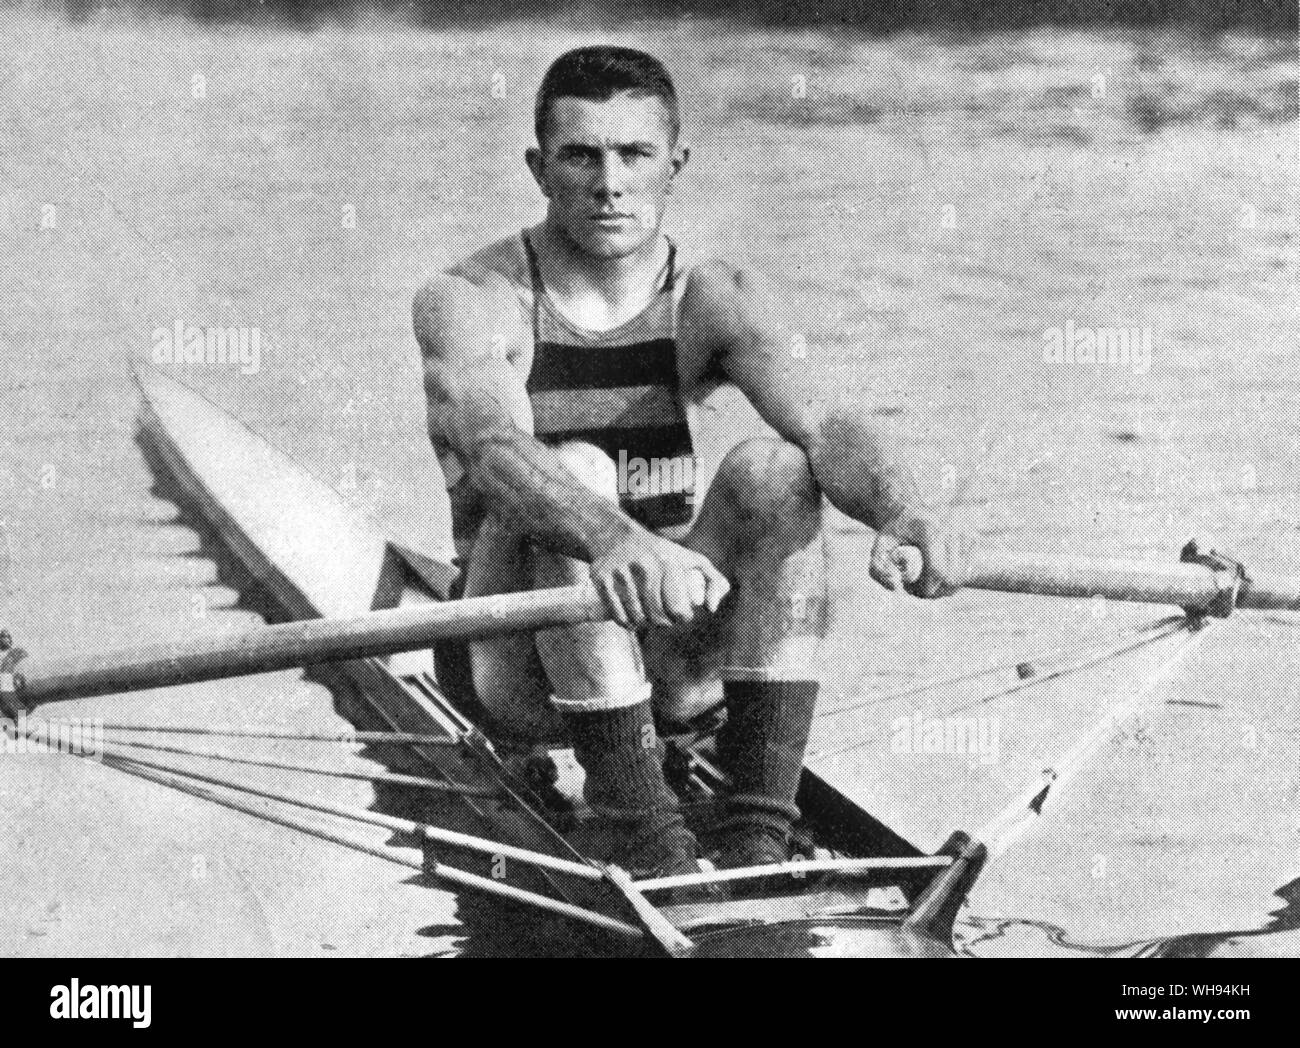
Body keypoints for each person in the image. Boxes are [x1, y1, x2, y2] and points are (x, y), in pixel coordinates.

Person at [413, 45, 972, 877]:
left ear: (675, 164)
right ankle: (648, 837)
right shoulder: (472, 300)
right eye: (582, 156)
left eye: (635, 154)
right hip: (514, 671)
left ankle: (756, 829)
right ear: (540, 169)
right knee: (576, 469)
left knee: (776, 469)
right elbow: (493, 452)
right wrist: (611, 538)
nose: (610, 183)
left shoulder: (713, 297)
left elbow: (824, 428)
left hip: (670, 658)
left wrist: (902, 508)